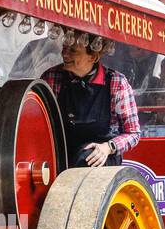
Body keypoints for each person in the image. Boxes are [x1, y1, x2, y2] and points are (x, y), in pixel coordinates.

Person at [39, 38, 141, 168]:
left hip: (101, 158)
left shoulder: (117, 83)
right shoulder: (52, 77)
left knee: (86, 159)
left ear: (93, 57)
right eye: (64, 48)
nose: (65, 54)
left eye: (73, 51)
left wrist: (109, 147)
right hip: (61, 155)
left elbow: (133, 133)